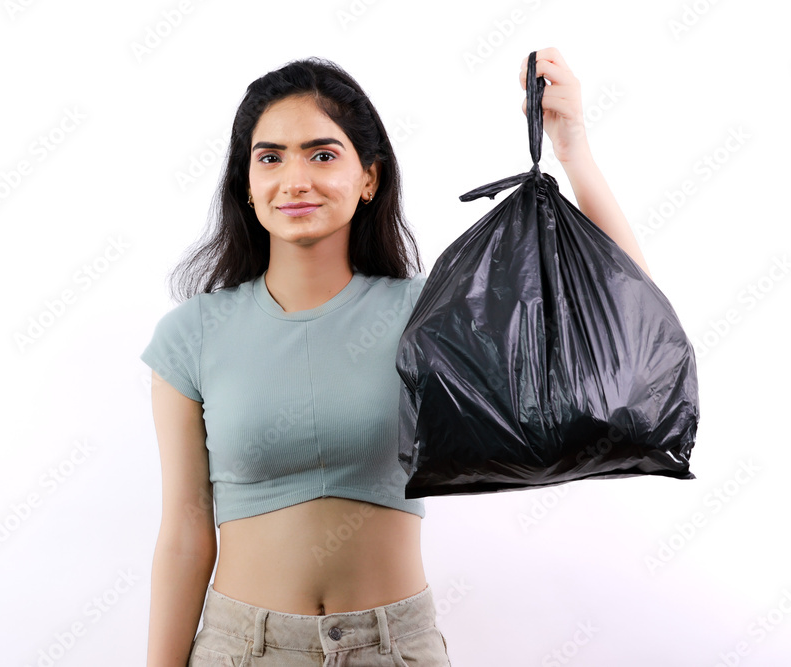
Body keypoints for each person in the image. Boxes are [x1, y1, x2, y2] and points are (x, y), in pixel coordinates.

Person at [142, 47, 651, 667]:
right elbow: (184, 536)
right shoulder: (193, 334)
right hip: (240, 649)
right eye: (270, 157)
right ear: (247, 186)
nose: (294, 179)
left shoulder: (425, 315)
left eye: (322, 154)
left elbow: (621, 335)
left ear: (369, 178)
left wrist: (573, 152)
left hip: (393, 649)